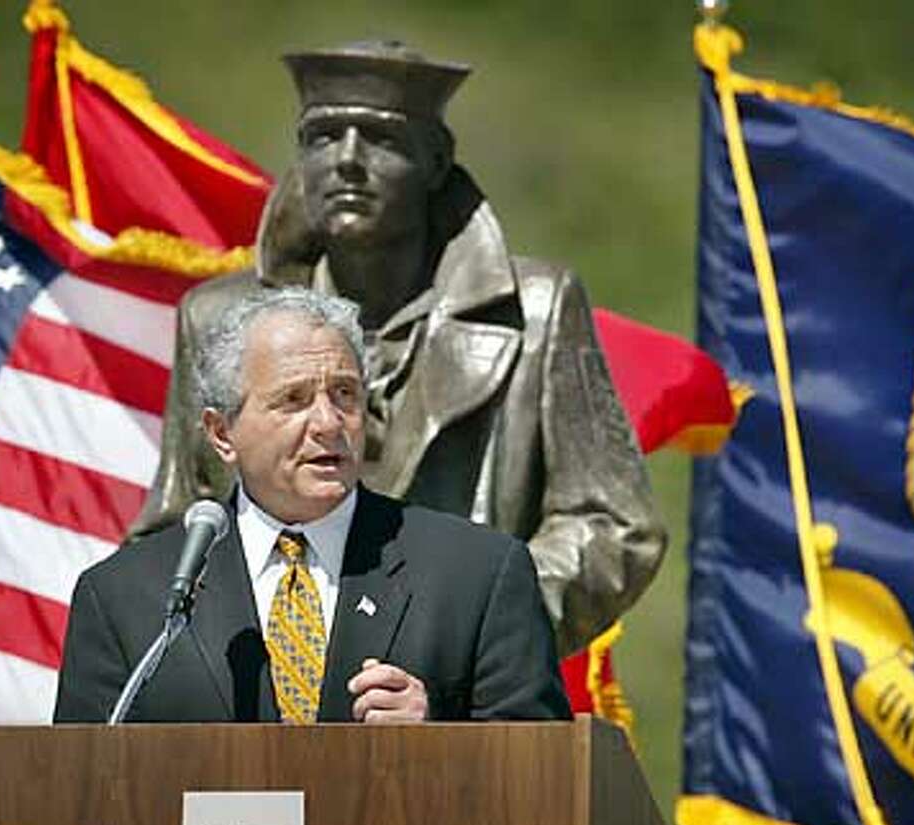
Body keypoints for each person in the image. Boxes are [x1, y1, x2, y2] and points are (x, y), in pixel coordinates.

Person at [127, 40, 665, 655]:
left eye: (381, 140)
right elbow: (177, 528)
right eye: (324, 137)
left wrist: (470, 631)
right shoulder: (219, 319)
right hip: (269, 699)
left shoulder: (536, 311)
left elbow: (615, 527)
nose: (348, 161)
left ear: (436, 163)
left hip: (457, 713)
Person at [54, 290, 571, 723]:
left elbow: (547, 776)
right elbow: (81, 796)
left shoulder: (478, 573)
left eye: (344, 394)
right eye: (294, 399)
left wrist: (440, 736)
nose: (328, 422)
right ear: (221, 433)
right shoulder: (126, 599)